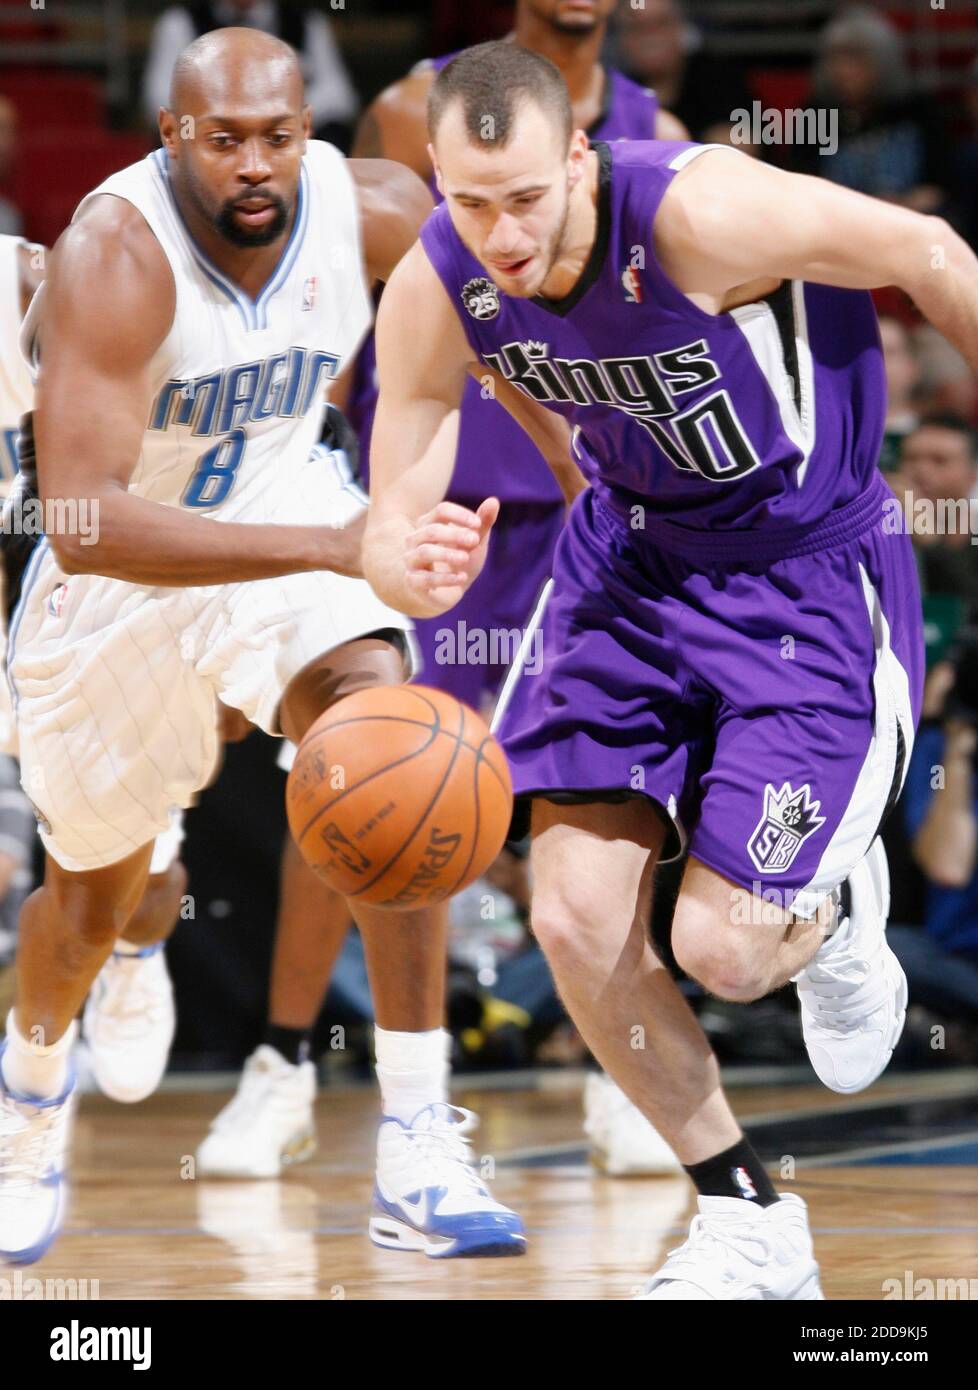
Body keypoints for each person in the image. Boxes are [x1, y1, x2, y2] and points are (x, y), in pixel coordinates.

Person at [362, 40, 947, 1299]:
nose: (503, 233)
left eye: (526, 196)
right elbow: (405, 429)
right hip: (626, 565)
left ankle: (836, 907)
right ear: (438, 182)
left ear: (577, 155)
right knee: (572, 915)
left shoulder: (703, 208)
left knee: (726, 952)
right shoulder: (444, 272)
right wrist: (401, 556)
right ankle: (744, 1216)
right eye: (471, 202)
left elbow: (932, 255)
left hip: (804, 573)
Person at [0, 28, 525, 1266]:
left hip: (290, 510)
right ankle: (29, 1102)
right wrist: (343, 545)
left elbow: (504, 312)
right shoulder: (115, 254)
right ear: (171, 136)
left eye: (278, 138)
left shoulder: (373, 206)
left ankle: (414, 1132)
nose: (255, 165)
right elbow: (83, 526)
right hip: (120, 574)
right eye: (223, 138)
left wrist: (562, 445)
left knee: (391, 741)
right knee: (93, 894)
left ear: (309, 134)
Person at [197, 0, 688, 1182]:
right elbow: (346, 289)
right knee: (363, 766)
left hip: (587, 490)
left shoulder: (650, 125)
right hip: (434, 497)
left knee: (613, 788)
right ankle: (283, 1062)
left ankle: (622, 1061)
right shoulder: (414, 106)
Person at [142, 0, 358, 145]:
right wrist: (226, 117)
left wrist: (279, 115)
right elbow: (159, 99)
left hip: (291, 144)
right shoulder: (180, 23)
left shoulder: (306, 23)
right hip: (213, 141)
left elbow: (340, 98)